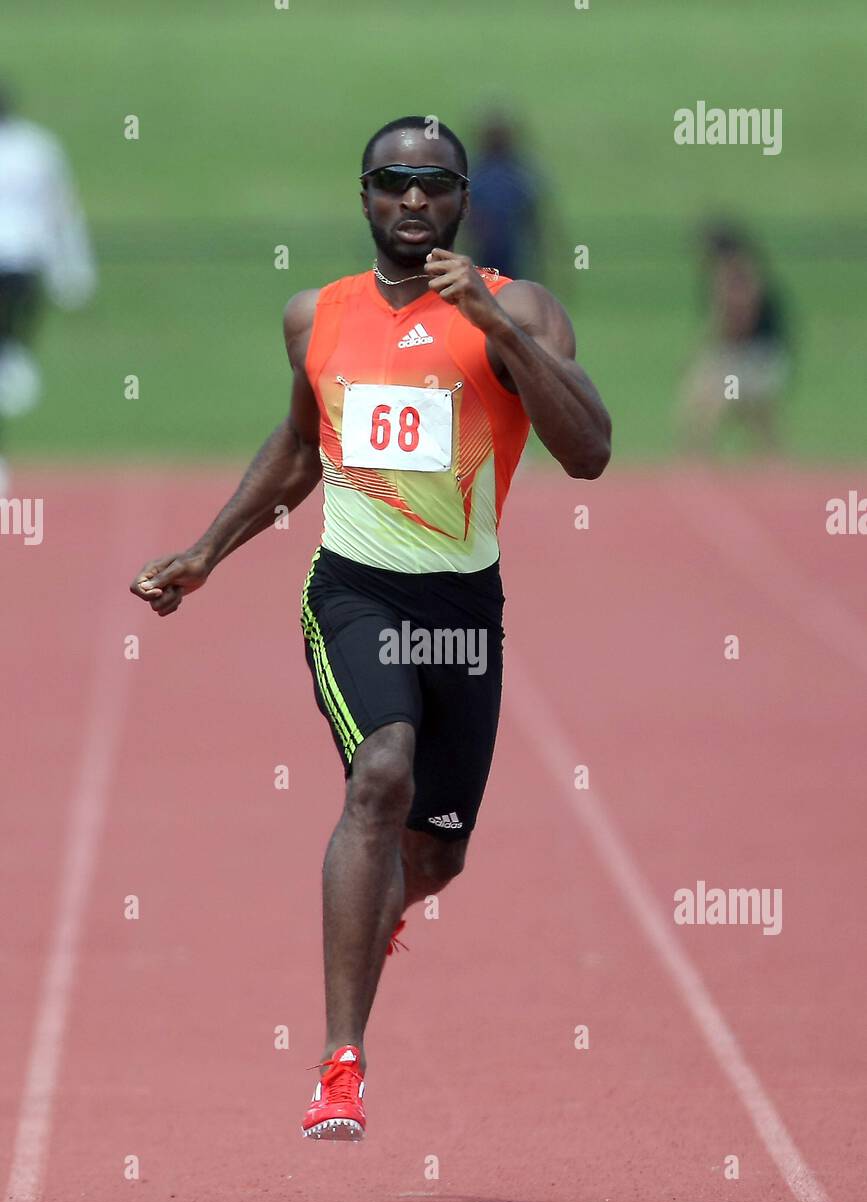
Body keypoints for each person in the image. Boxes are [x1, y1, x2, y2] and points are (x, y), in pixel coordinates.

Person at [130, 116, 611, 1141]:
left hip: (464, 609)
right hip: (354, 590)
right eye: (391, 181)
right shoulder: (319, 316)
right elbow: (302, 446)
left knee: (434, 858)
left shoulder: (521, 308)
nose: (410, 199)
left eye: (432, 183)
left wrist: (501, 329)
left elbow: (591, 452)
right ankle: (341, 1062)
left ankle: (370, 914)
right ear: (363, 195)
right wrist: (208, 551)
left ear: (462, 199)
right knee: (380, 772)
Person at [0, 84, 96, 488]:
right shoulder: (39, 147)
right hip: (25, 259)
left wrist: (72, 267)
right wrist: (72, 268)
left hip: (21, 258)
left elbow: (58, 207)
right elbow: (61, 210)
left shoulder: (38, 149)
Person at [678, 222, 789, 456]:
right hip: (754, 350)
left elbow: (740, 314)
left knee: (712, 403)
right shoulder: (742, 268)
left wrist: (720, 348)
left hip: (750, 351)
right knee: (751, 412)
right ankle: (769, 459)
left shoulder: (735, 270)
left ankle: (698, 457)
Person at [465, 113, 540, 281]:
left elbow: (531, 215)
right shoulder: (478, 171)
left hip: (510, 249)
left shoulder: (517, 172)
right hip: (486, 249)